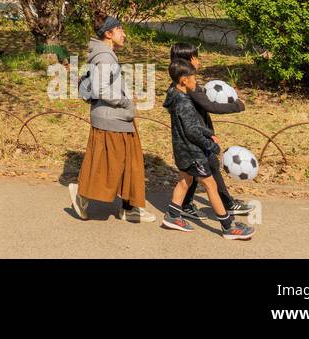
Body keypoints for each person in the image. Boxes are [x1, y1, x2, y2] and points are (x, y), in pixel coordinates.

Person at [68, 16, 155, 223]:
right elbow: (100, 89)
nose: (124, 34)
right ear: (108, 34)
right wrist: (125, 102)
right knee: (113, 164)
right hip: (112, 117)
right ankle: (82, 195)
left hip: (116, 117)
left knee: (127, 163)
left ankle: (129, 207)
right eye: (120, 29)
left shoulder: (105, 55)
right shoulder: (105, 57)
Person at [162, 60, 254, 239]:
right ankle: (228, 227)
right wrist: (211, 145)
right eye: (193, 78)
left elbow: (190, 125)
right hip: (193, 152)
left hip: (181, 150)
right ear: (183, 80)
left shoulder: (174, 95)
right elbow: (192, 131)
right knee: (210, 186)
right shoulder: (184, 103)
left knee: (184, 181)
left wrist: (207, 132)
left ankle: (172, 216)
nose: (196, 82)